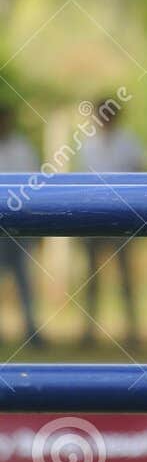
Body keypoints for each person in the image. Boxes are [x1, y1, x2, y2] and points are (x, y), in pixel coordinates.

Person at [78, 99, 146, 347]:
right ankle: (88, 331)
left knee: (125, 278)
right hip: (94, 218)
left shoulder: (128, 141)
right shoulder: (88, 144)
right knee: (91, 279)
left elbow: (141, 171)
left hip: (123, 217)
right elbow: (82, 182)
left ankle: (131, 330)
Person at [0, 103, 43, 345]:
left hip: (21, 225)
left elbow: (35, 182)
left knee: (25, 279)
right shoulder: (24, 147)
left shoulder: (22, 148)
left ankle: (30, 328)